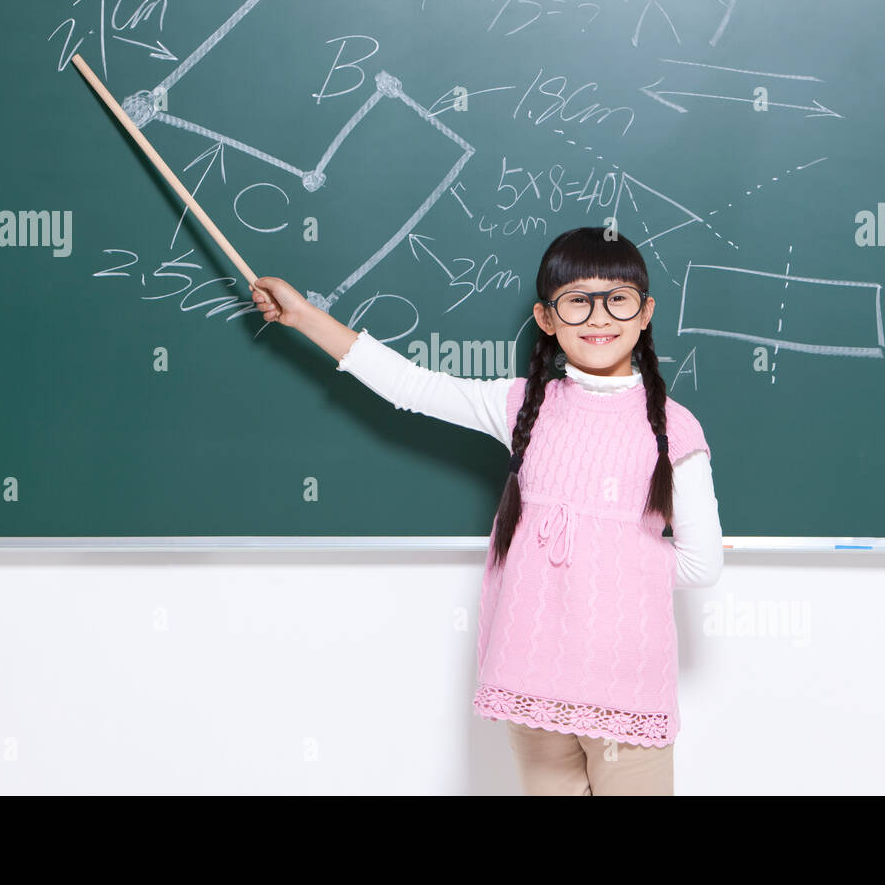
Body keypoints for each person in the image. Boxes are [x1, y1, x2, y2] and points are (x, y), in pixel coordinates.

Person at [250, 226, 724, 795]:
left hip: (627, 686)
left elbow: (702, 565)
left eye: (616, 299)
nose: (599, 318)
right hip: (532, 680)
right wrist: (304, 316)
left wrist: (605, 551)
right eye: (577, 301)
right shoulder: (521, 404)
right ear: (547, 318)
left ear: (644, 311)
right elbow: (409, 386)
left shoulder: (676, 427)